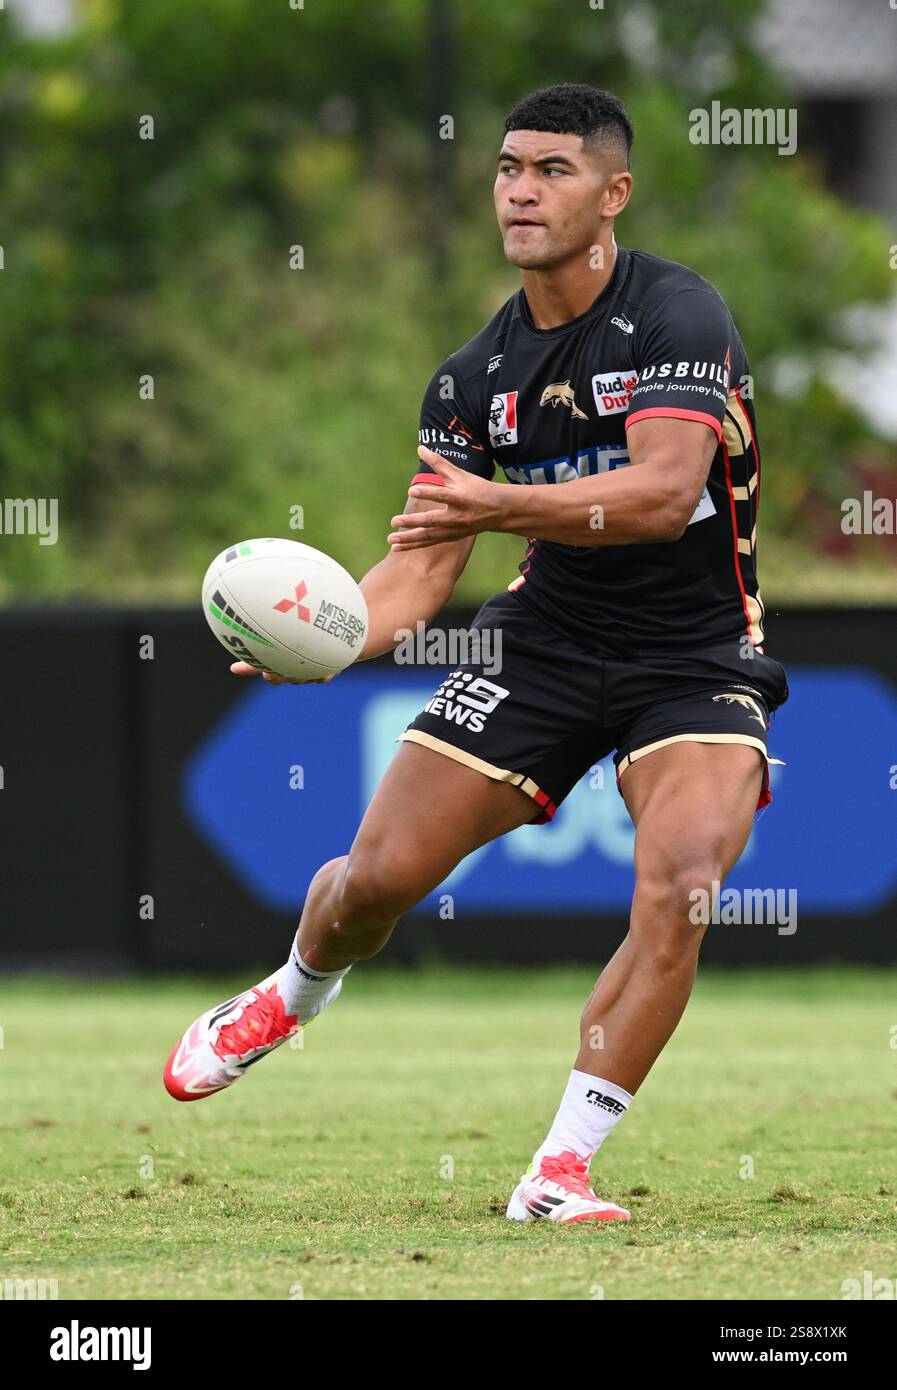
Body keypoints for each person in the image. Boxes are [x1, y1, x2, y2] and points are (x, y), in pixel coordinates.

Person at [164, 84, 788, 1226]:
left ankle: (560, 1167)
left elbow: (660, 497)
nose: (520, 188)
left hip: (693, 656)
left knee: (685, 884)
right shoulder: (469, 380)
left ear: (614, 193)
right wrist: (330, 638)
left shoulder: (678, 317)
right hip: (542, 645)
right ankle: (294, 992)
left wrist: (496, 506)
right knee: (379, 880)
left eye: (552, 168)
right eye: (508, 166)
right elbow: (417, 573)